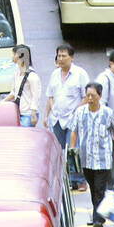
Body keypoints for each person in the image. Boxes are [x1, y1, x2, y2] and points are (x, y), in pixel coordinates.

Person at [70, 83, 114, 227]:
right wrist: (73, 149)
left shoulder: (108, 113)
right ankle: (98, 214)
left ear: (100, 96)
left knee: (99, 189)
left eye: (93, 96)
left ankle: (98, 220)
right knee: (93, 189)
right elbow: (74, 131)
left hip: (103, 159)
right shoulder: (80, 112)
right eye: (88, 96)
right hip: (86, 159)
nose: (90, 99)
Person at [44, 44, 89, 190]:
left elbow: (87, 96)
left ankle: (80, 179)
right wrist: (47, 115)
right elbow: (50, 96)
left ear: (72, 57)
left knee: (73, 149)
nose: (61, 58)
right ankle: (66, 179)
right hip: (57, 118)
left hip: (73, 119)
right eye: (59, 56)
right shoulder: (54, 74)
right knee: (58, 150)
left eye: (64, 56)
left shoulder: (80, 74)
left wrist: (76, 111)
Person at [9, 45, 41, 127]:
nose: (12, 56)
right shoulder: (16, 73)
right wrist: (2, 103)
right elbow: (14, 92)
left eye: (14, 54)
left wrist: (33, 114)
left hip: (28, 115)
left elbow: (36, 96)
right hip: (18, 113)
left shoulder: (32, 76)